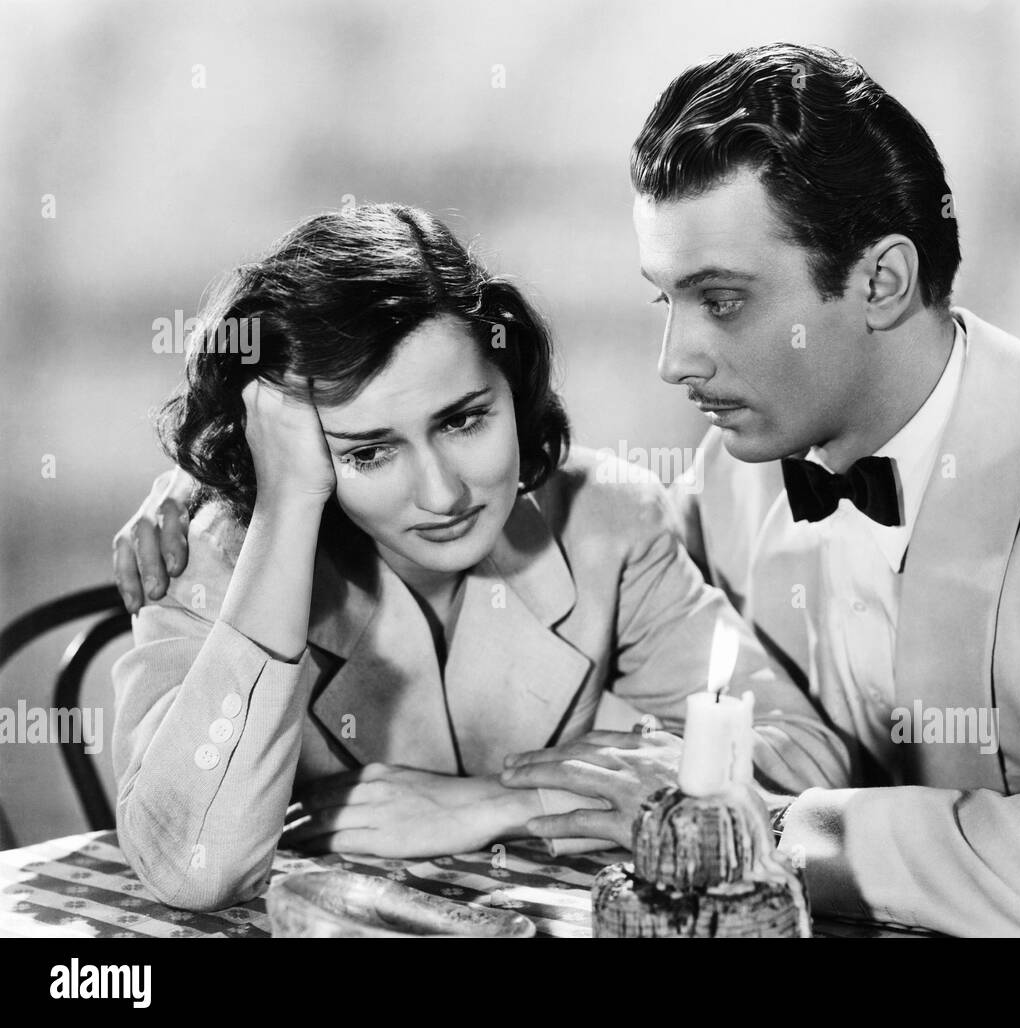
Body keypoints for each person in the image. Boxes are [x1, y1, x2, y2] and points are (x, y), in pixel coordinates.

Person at [119, 45, 1020, 936]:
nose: (673, 361)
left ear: (883, 280)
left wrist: (758, 829)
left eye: (722, 301)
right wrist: (236, 479)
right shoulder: (729, 484)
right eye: (664, 300)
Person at [107, 202, 848, 912]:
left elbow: (802, 759)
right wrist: (286, 503)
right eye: (368, 452)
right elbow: (191, 869)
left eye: (463, 420)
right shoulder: (216, 559)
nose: (443, 493)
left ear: (513, 389)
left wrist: (504, 803)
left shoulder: (608, 520)